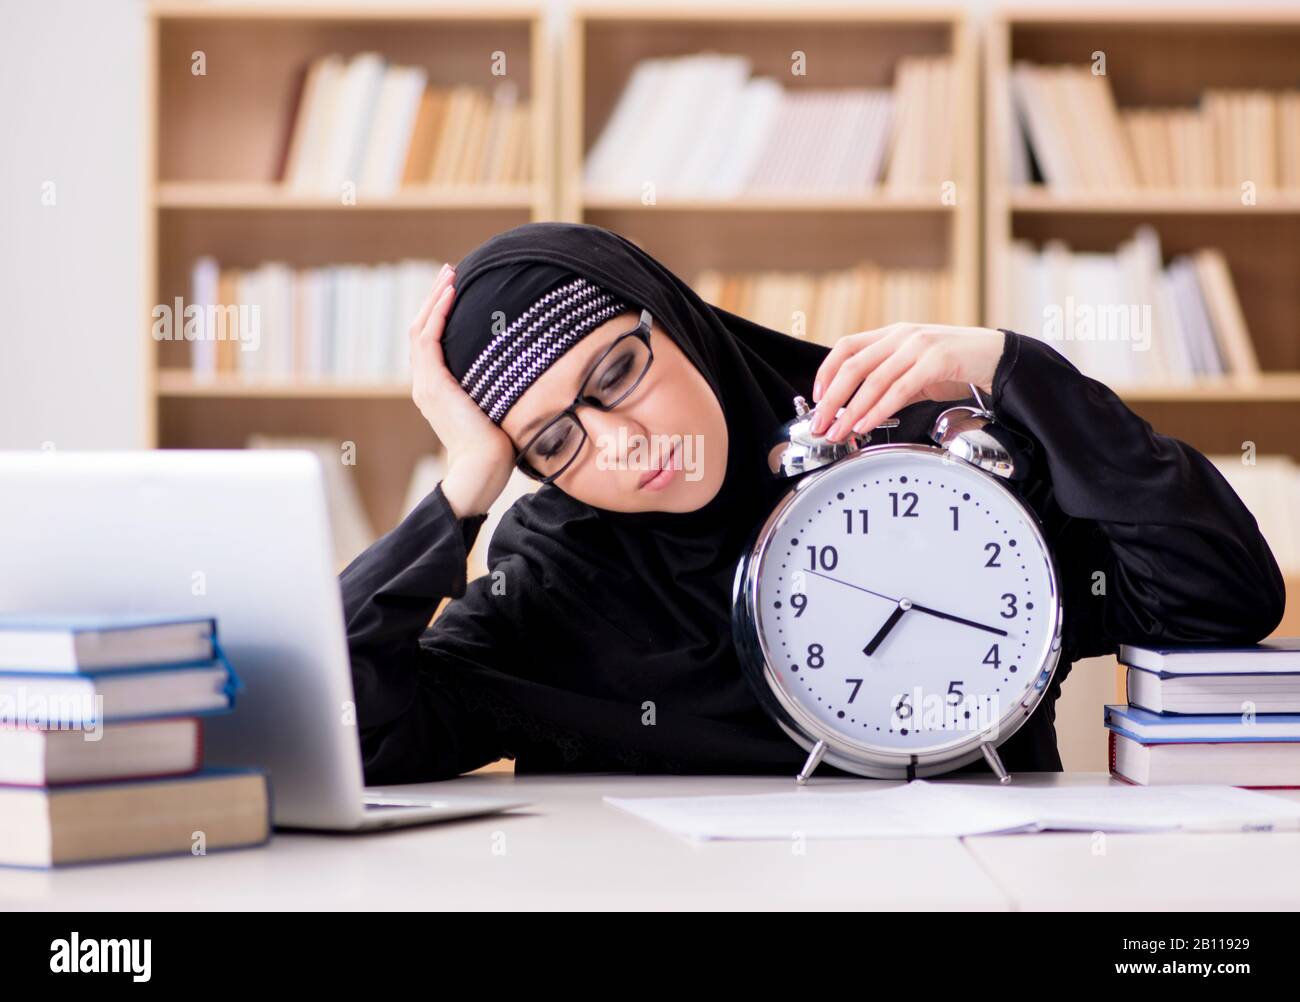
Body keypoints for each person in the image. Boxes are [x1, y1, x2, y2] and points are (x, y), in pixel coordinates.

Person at [339, 222, 1286, 783]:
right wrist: (463, 482)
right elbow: (346, 735)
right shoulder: (554, 582)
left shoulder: (926, 463)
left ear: (669, 314)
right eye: (552, 441)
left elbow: (1220, 603)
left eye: (618, 372)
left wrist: (1019, 372)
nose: (619, 443)